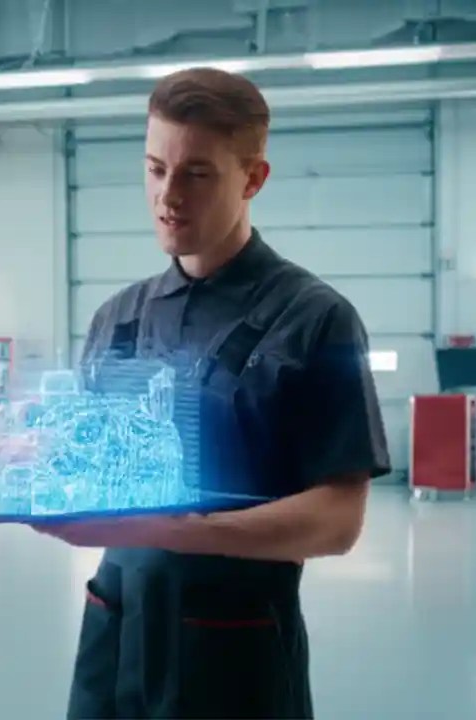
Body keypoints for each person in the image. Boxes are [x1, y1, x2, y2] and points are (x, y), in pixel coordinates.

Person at [35, 69, 391, 719]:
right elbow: (81, 466)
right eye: (154, 168)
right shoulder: (117, 317)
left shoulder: (315, 320)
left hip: (236, 649)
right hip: (115, 634)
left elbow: (339, 521)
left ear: (253, 180)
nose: (167, 196)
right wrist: (32, 460)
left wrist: (174, 529)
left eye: (197, 174)